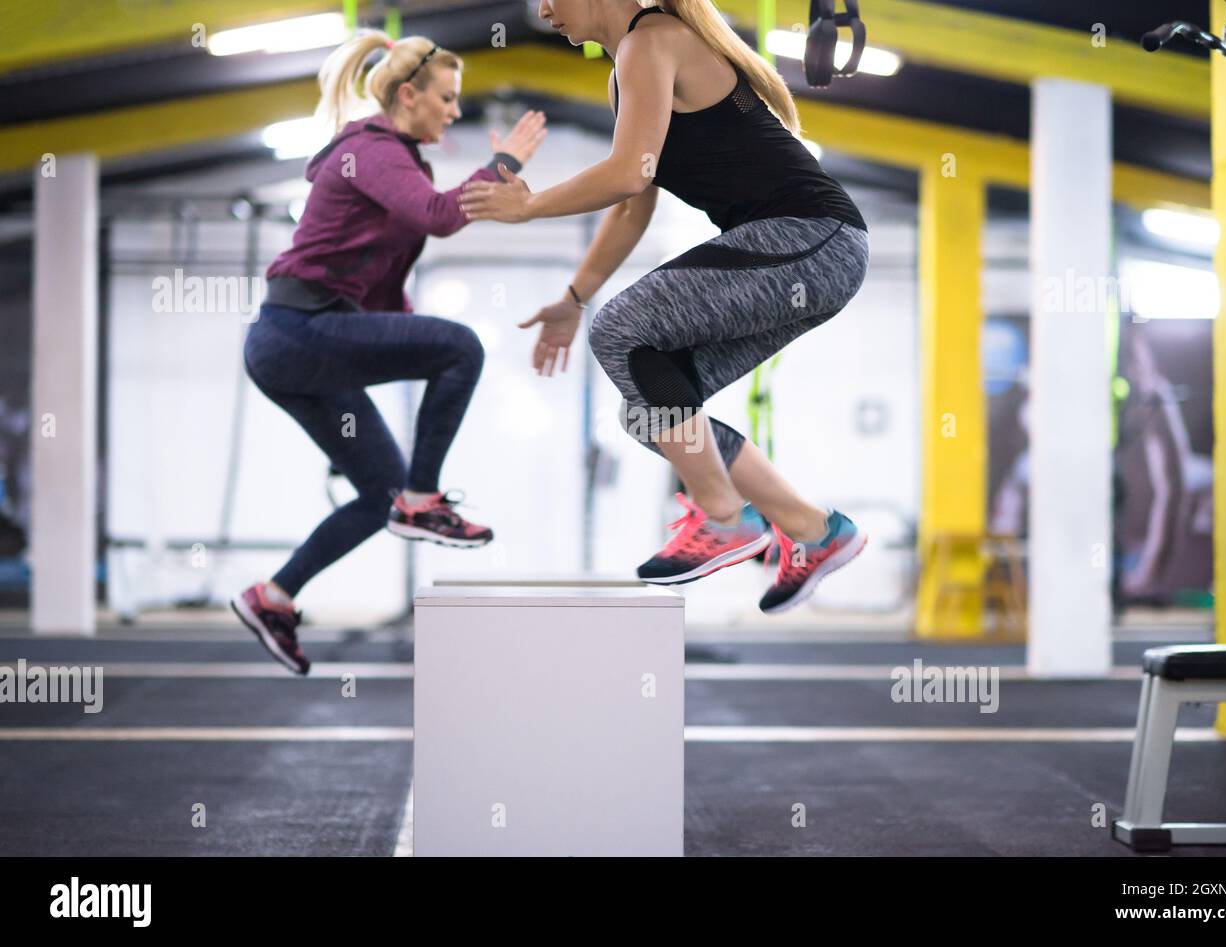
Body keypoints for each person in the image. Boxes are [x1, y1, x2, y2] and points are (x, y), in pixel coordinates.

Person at [460, 0, 870, 614]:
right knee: (652, 410)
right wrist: (574, 299)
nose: (542, 10)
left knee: (625, 330)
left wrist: (529, 204)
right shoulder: (629, 65)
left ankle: (725, 517)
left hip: (812, 238)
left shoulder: (652, 40)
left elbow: (627, 173)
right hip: (809, 253)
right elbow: (634, 201)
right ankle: (814, 530)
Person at [232, 30, 547, 674]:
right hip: (296, 330)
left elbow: (382, 299)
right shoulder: (370, 149)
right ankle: (424, 500)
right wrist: (504, 166)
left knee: (380, 493)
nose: (455, 112)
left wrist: (401, 352)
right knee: (459, 346)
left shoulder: (394, 160)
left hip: (311, 343)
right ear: (409, 95)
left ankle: (273, 596)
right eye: (448, 98)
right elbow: (436, 214)